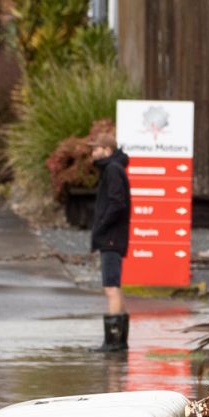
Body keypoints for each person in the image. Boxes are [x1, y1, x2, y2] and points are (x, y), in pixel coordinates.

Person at [90, 136, 131, 352]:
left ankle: (114, 342)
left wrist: (102, 226)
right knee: (115, 285)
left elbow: (118, 203)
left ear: (106, 149)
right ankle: (120, 341)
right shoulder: (113, 168)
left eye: (95, 149)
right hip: (112, 235)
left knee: (111, 287)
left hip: (112, 236)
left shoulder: (113, 169)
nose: (92, 153)